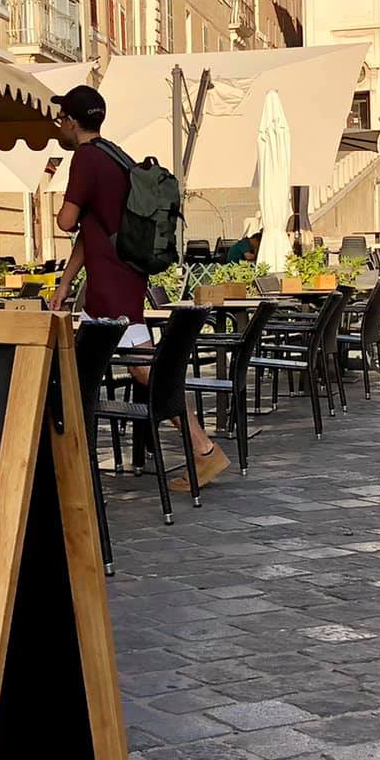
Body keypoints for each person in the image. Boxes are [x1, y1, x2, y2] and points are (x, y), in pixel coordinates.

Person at [48, 84, 226, 491]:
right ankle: (72, 461)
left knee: (145, 369)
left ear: (71, 121)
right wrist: (65, 283)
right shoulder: (114, 156)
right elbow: (91, 232)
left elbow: (65, 221)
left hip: (112, 286)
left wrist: (57, 190)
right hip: (115, 280)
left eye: (61, 119)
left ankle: (203, 450)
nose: (59, 125)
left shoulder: (87, 159)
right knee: (120, 369)